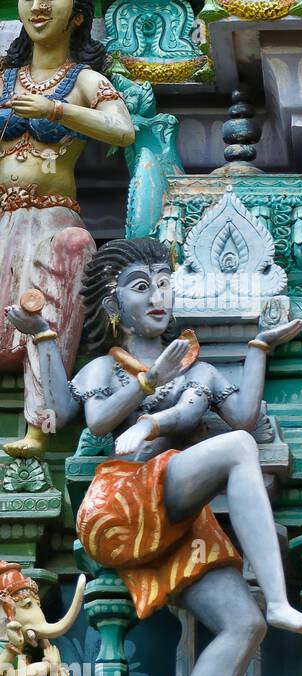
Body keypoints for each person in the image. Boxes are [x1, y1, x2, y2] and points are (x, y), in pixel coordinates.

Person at [6, 237, 302, 676]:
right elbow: (86, 417)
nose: (159, 296)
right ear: (114, 306)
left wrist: (261, 348)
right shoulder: (110, 366)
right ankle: (276, 597)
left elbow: (244, 414)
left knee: (242, 626)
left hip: (175, 522)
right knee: (237, 450)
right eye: (141, 286)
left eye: (164, 282)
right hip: (122, 504)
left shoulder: (196, 369)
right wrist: (44, 341)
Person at [0, 0, 134, 458]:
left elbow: (122, 129)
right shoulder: (2, 76)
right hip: (3, 221)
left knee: (74, 249)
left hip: (53, 220)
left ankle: (39, 426)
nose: (38, 6)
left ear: (77, 15)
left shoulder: (83, 81)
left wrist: (57, 111)